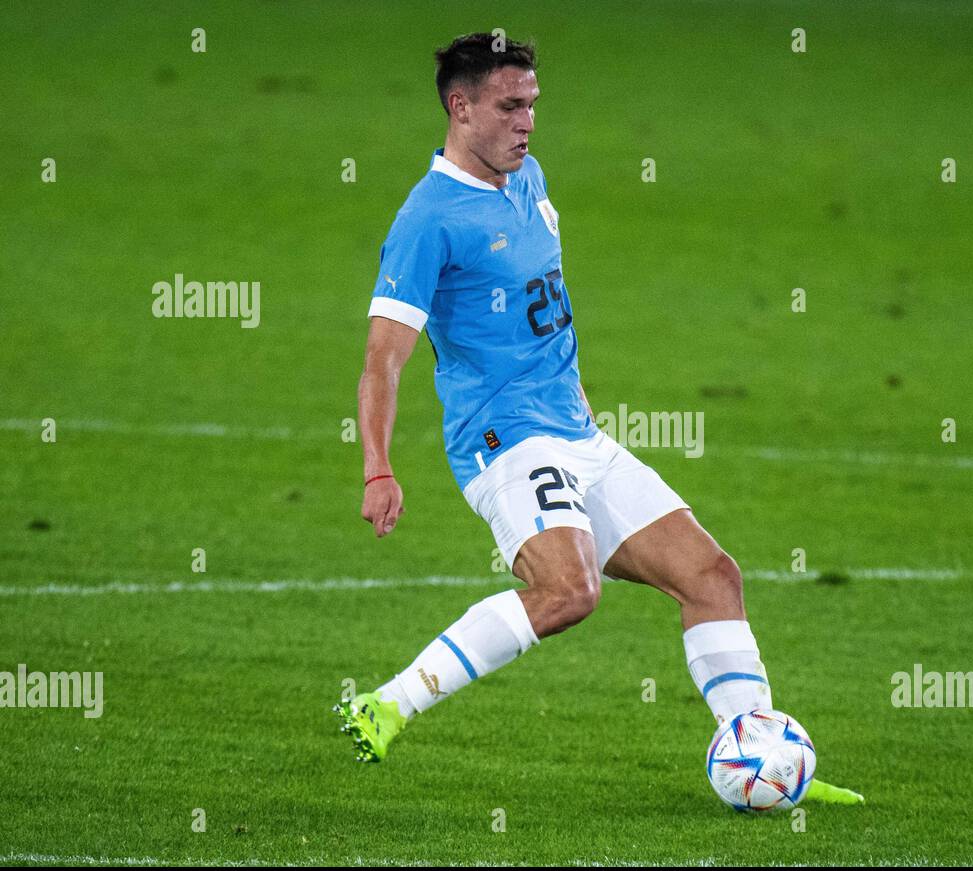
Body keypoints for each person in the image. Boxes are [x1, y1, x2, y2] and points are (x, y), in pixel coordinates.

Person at [335, 32, 861, 807]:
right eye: (510, 107)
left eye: (533, 106)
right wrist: (378, 467)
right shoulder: (427, 222)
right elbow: (382, 360)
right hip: (505, 441)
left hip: (579, 433)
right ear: (461, 105)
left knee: (713, 578)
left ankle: (764, 761)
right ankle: (387, 703)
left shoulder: (525, 176)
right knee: (569, 590)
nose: (527, 123)